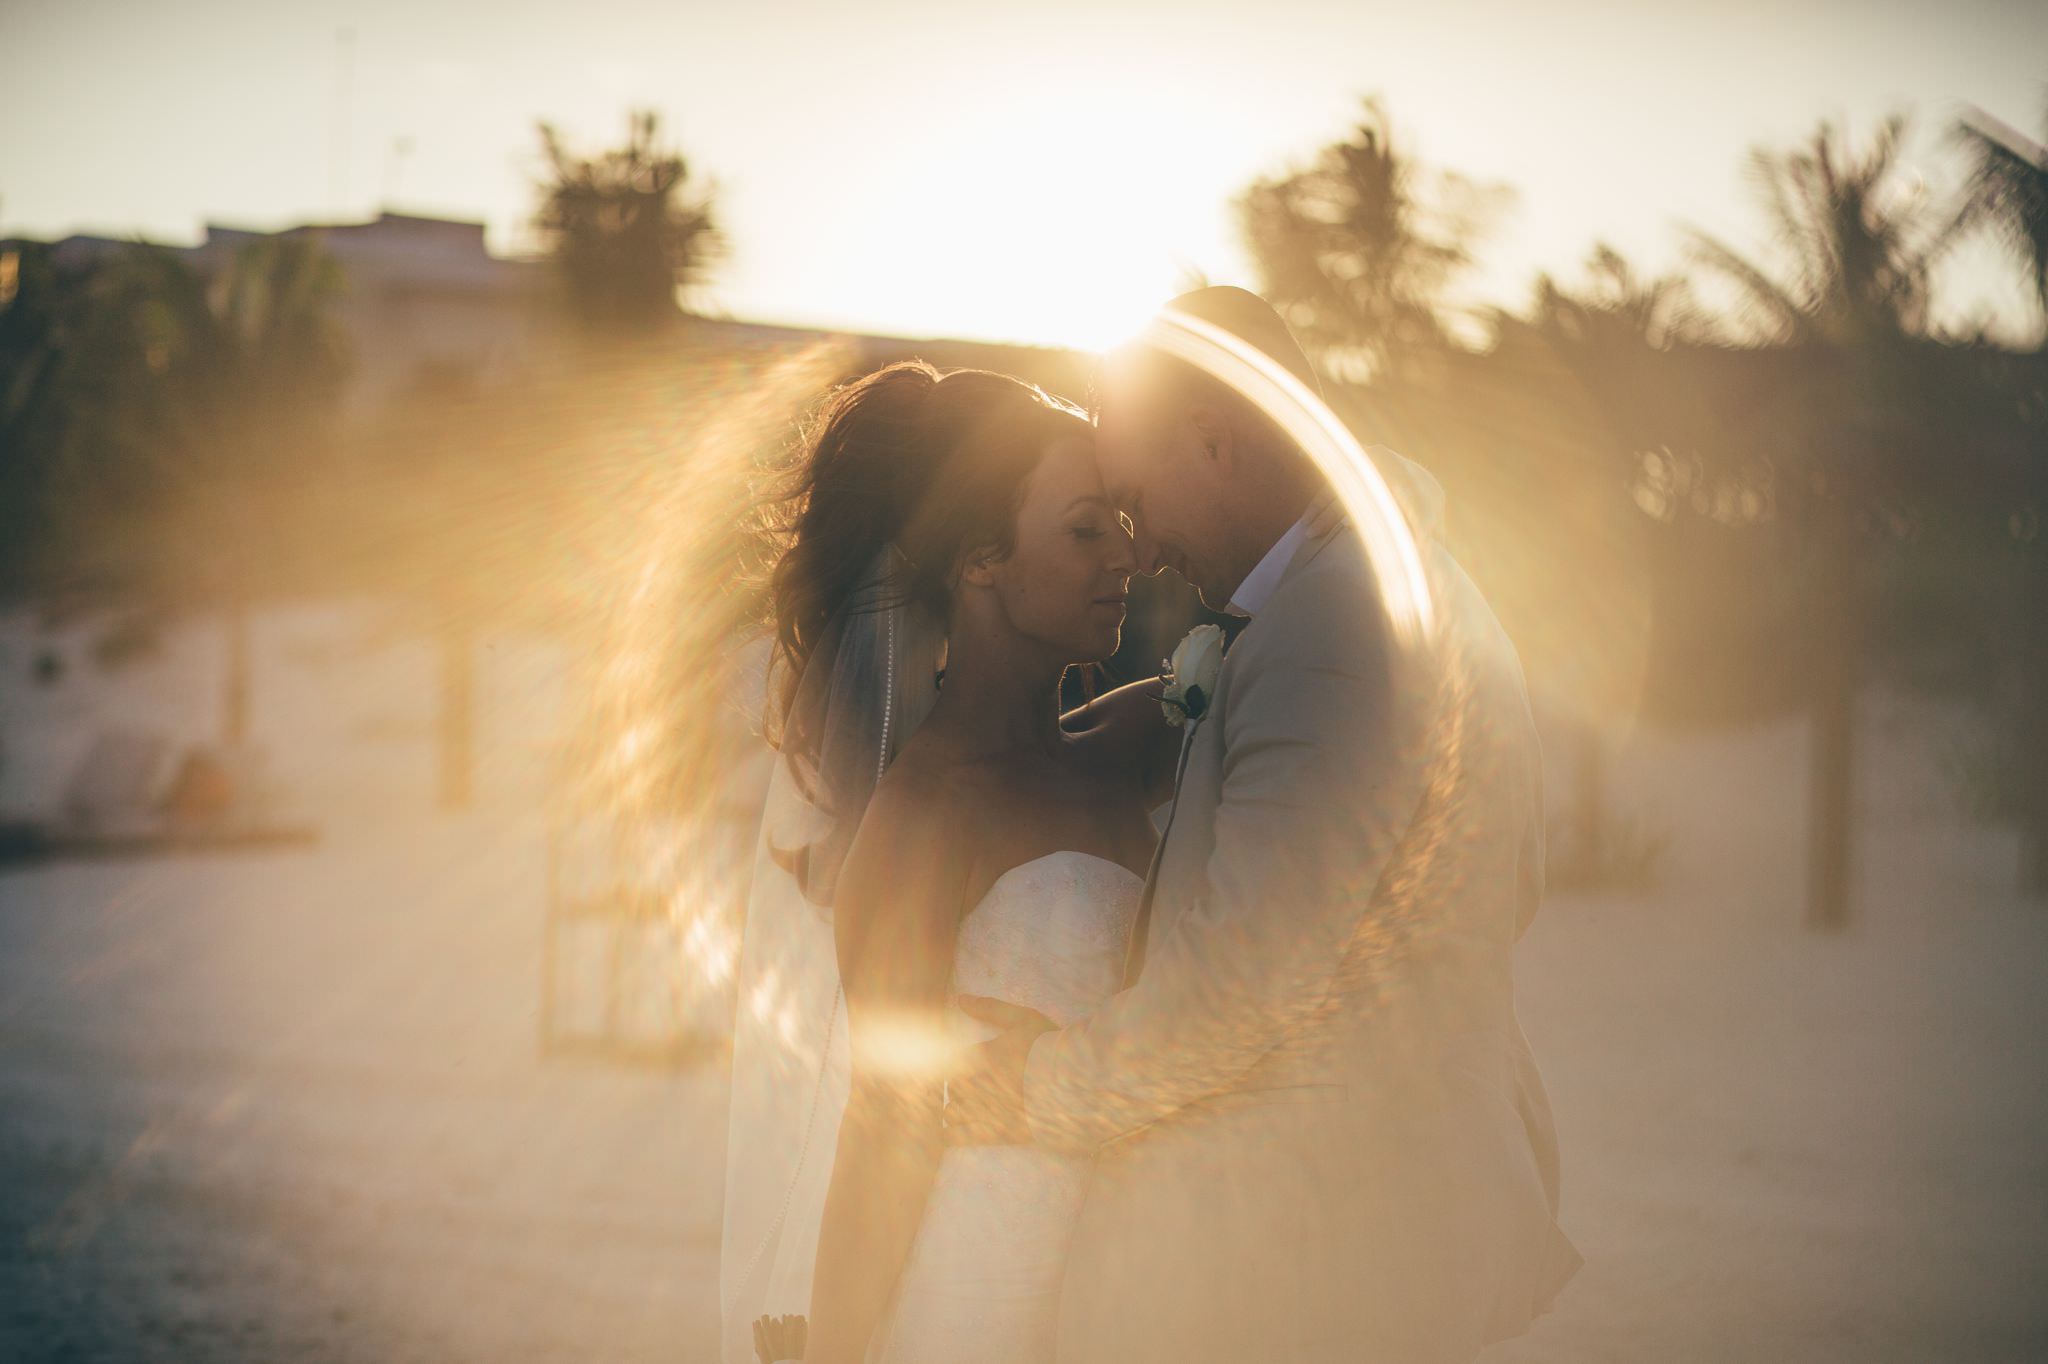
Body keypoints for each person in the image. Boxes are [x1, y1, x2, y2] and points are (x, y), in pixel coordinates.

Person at [941, 287, 1582, 1363]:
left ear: (1215, 440)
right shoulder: (1392, 588)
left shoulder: (1338, 620)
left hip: (1317, 1248)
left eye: (1141, 501)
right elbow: (1509, 882)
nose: (1141, 553)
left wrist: (1029, 1090)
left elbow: (1239, 981)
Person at [720, 359, 1177, 1364]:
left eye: (1122, 525)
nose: (1125, 558)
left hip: (1137, 1271)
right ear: (978, 558)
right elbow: (883, 1128)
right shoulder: (924, 814)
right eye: (1084, 528)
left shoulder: (1142, 731)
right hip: (982, 1287)